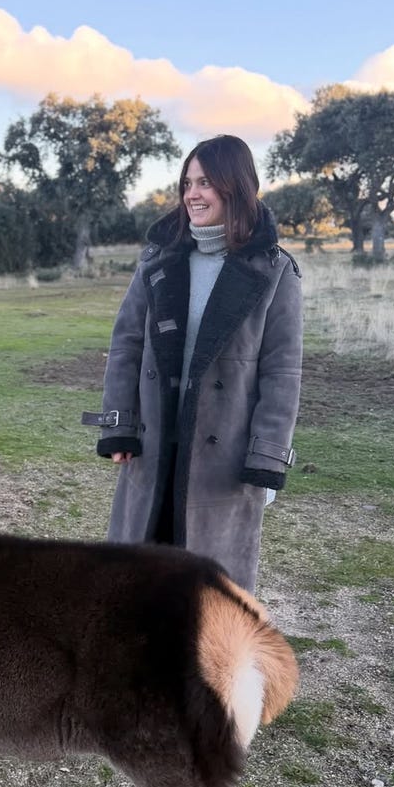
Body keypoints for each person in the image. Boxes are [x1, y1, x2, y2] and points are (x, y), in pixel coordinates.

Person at [82, 134, 302, 594]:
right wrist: (119, 425)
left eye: (204, 183)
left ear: (236, 187)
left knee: (209, 596)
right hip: (155, 441)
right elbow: (126, 344)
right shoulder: (157, 260)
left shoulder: (275, 271)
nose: (191, 195)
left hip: (222, 455)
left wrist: (267, 458)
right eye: (187, 183)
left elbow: (281, 372)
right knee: (139, 579)